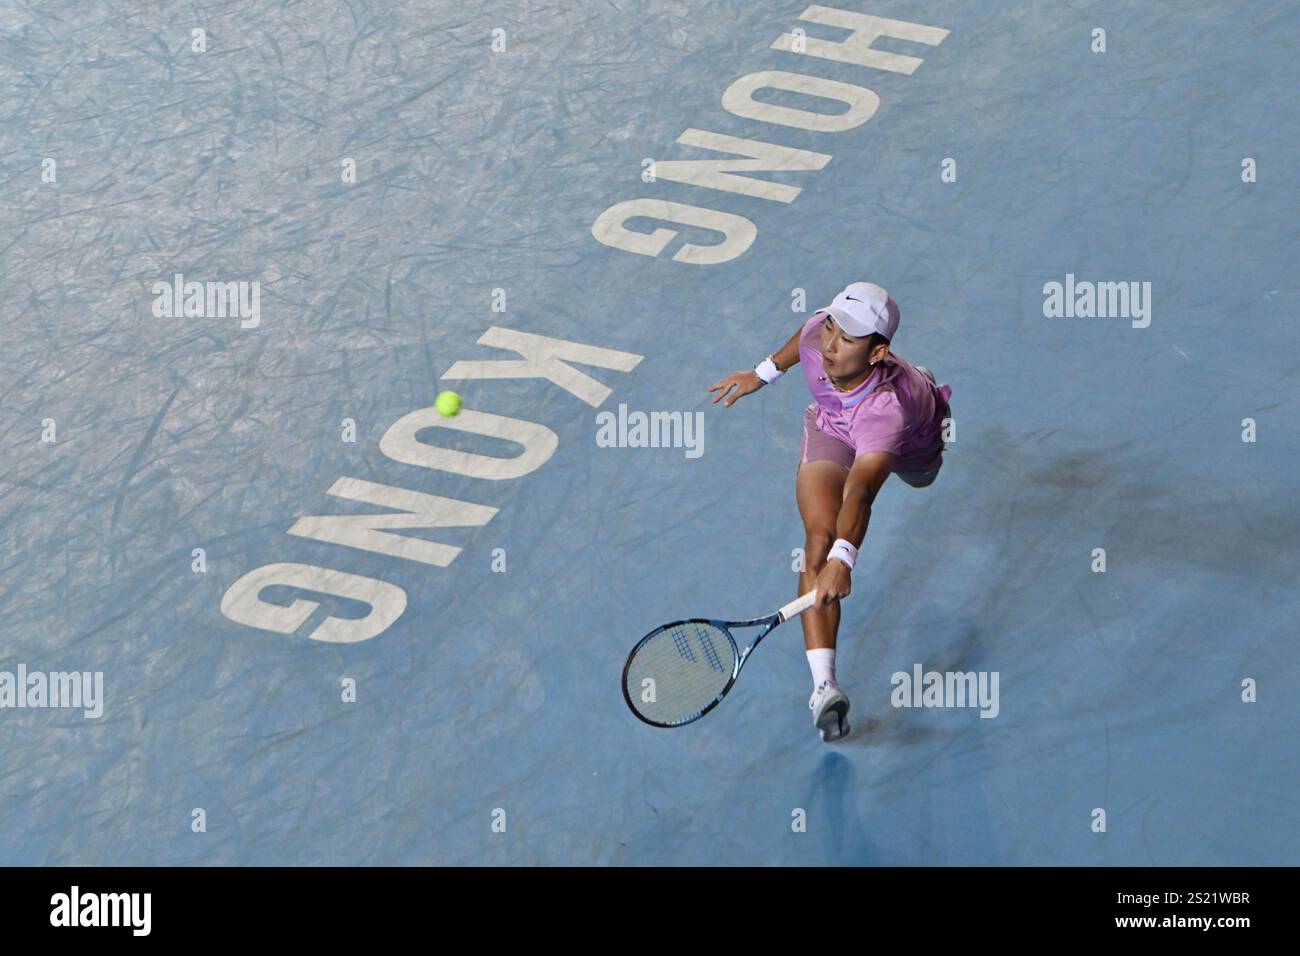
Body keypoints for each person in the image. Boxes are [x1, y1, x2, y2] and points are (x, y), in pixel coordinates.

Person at [708, 282, 953, 742]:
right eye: (833, 327)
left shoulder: (888, 412)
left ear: (878, 352)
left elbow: (860, 490)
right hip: (832, 427)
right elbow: (805, 332)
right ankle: (825, 688)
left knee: (922, 479)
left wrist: (846, 559)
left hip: (906, 440)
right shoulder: (821, 334)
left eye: (848, 338)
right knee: (816, 542)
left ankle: (927, 386)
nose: (831, 344)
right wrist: (762, 373)